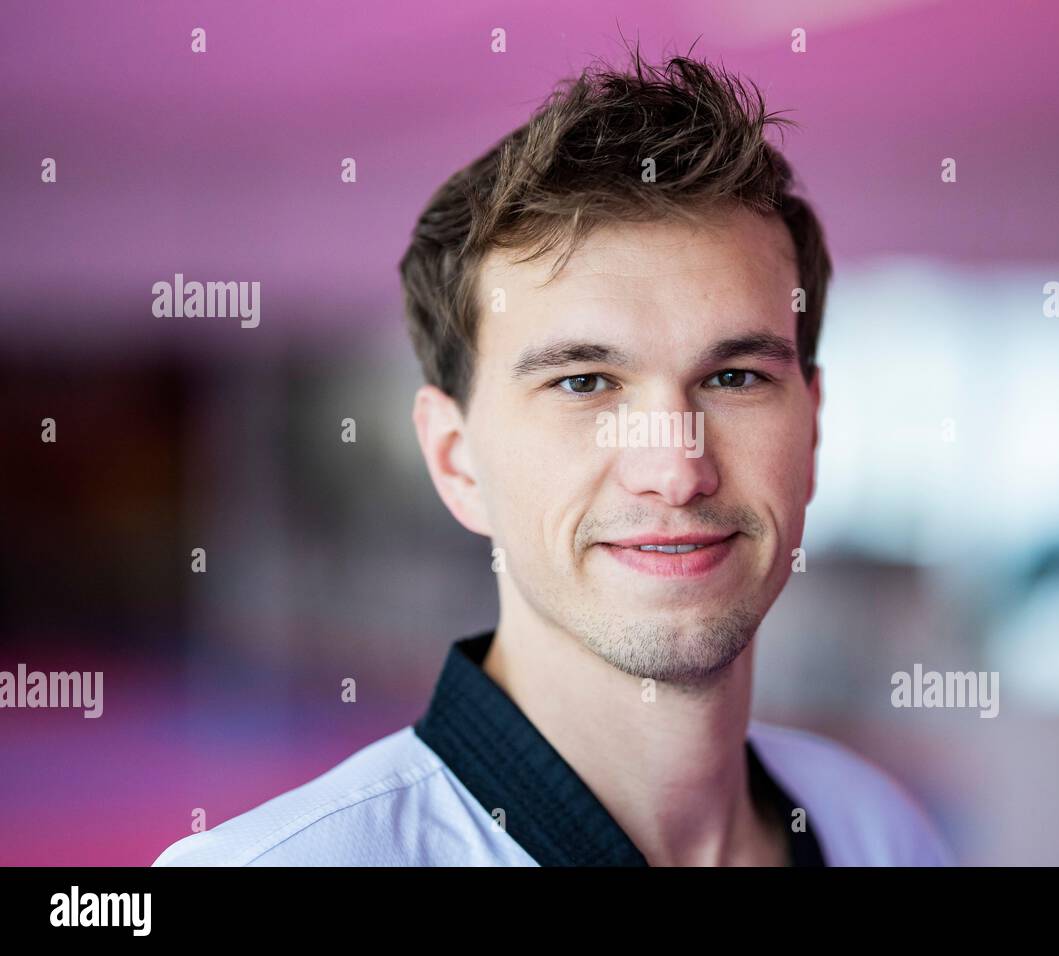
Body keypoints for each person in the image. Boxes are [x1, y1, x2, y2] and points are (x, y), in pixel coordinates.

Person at [153, 46, 953, 868]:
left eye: (735, 376)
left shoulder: (879, 832)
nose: (676, 469)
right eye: (585, 383)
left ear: (812, 430)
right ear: (457, 462)